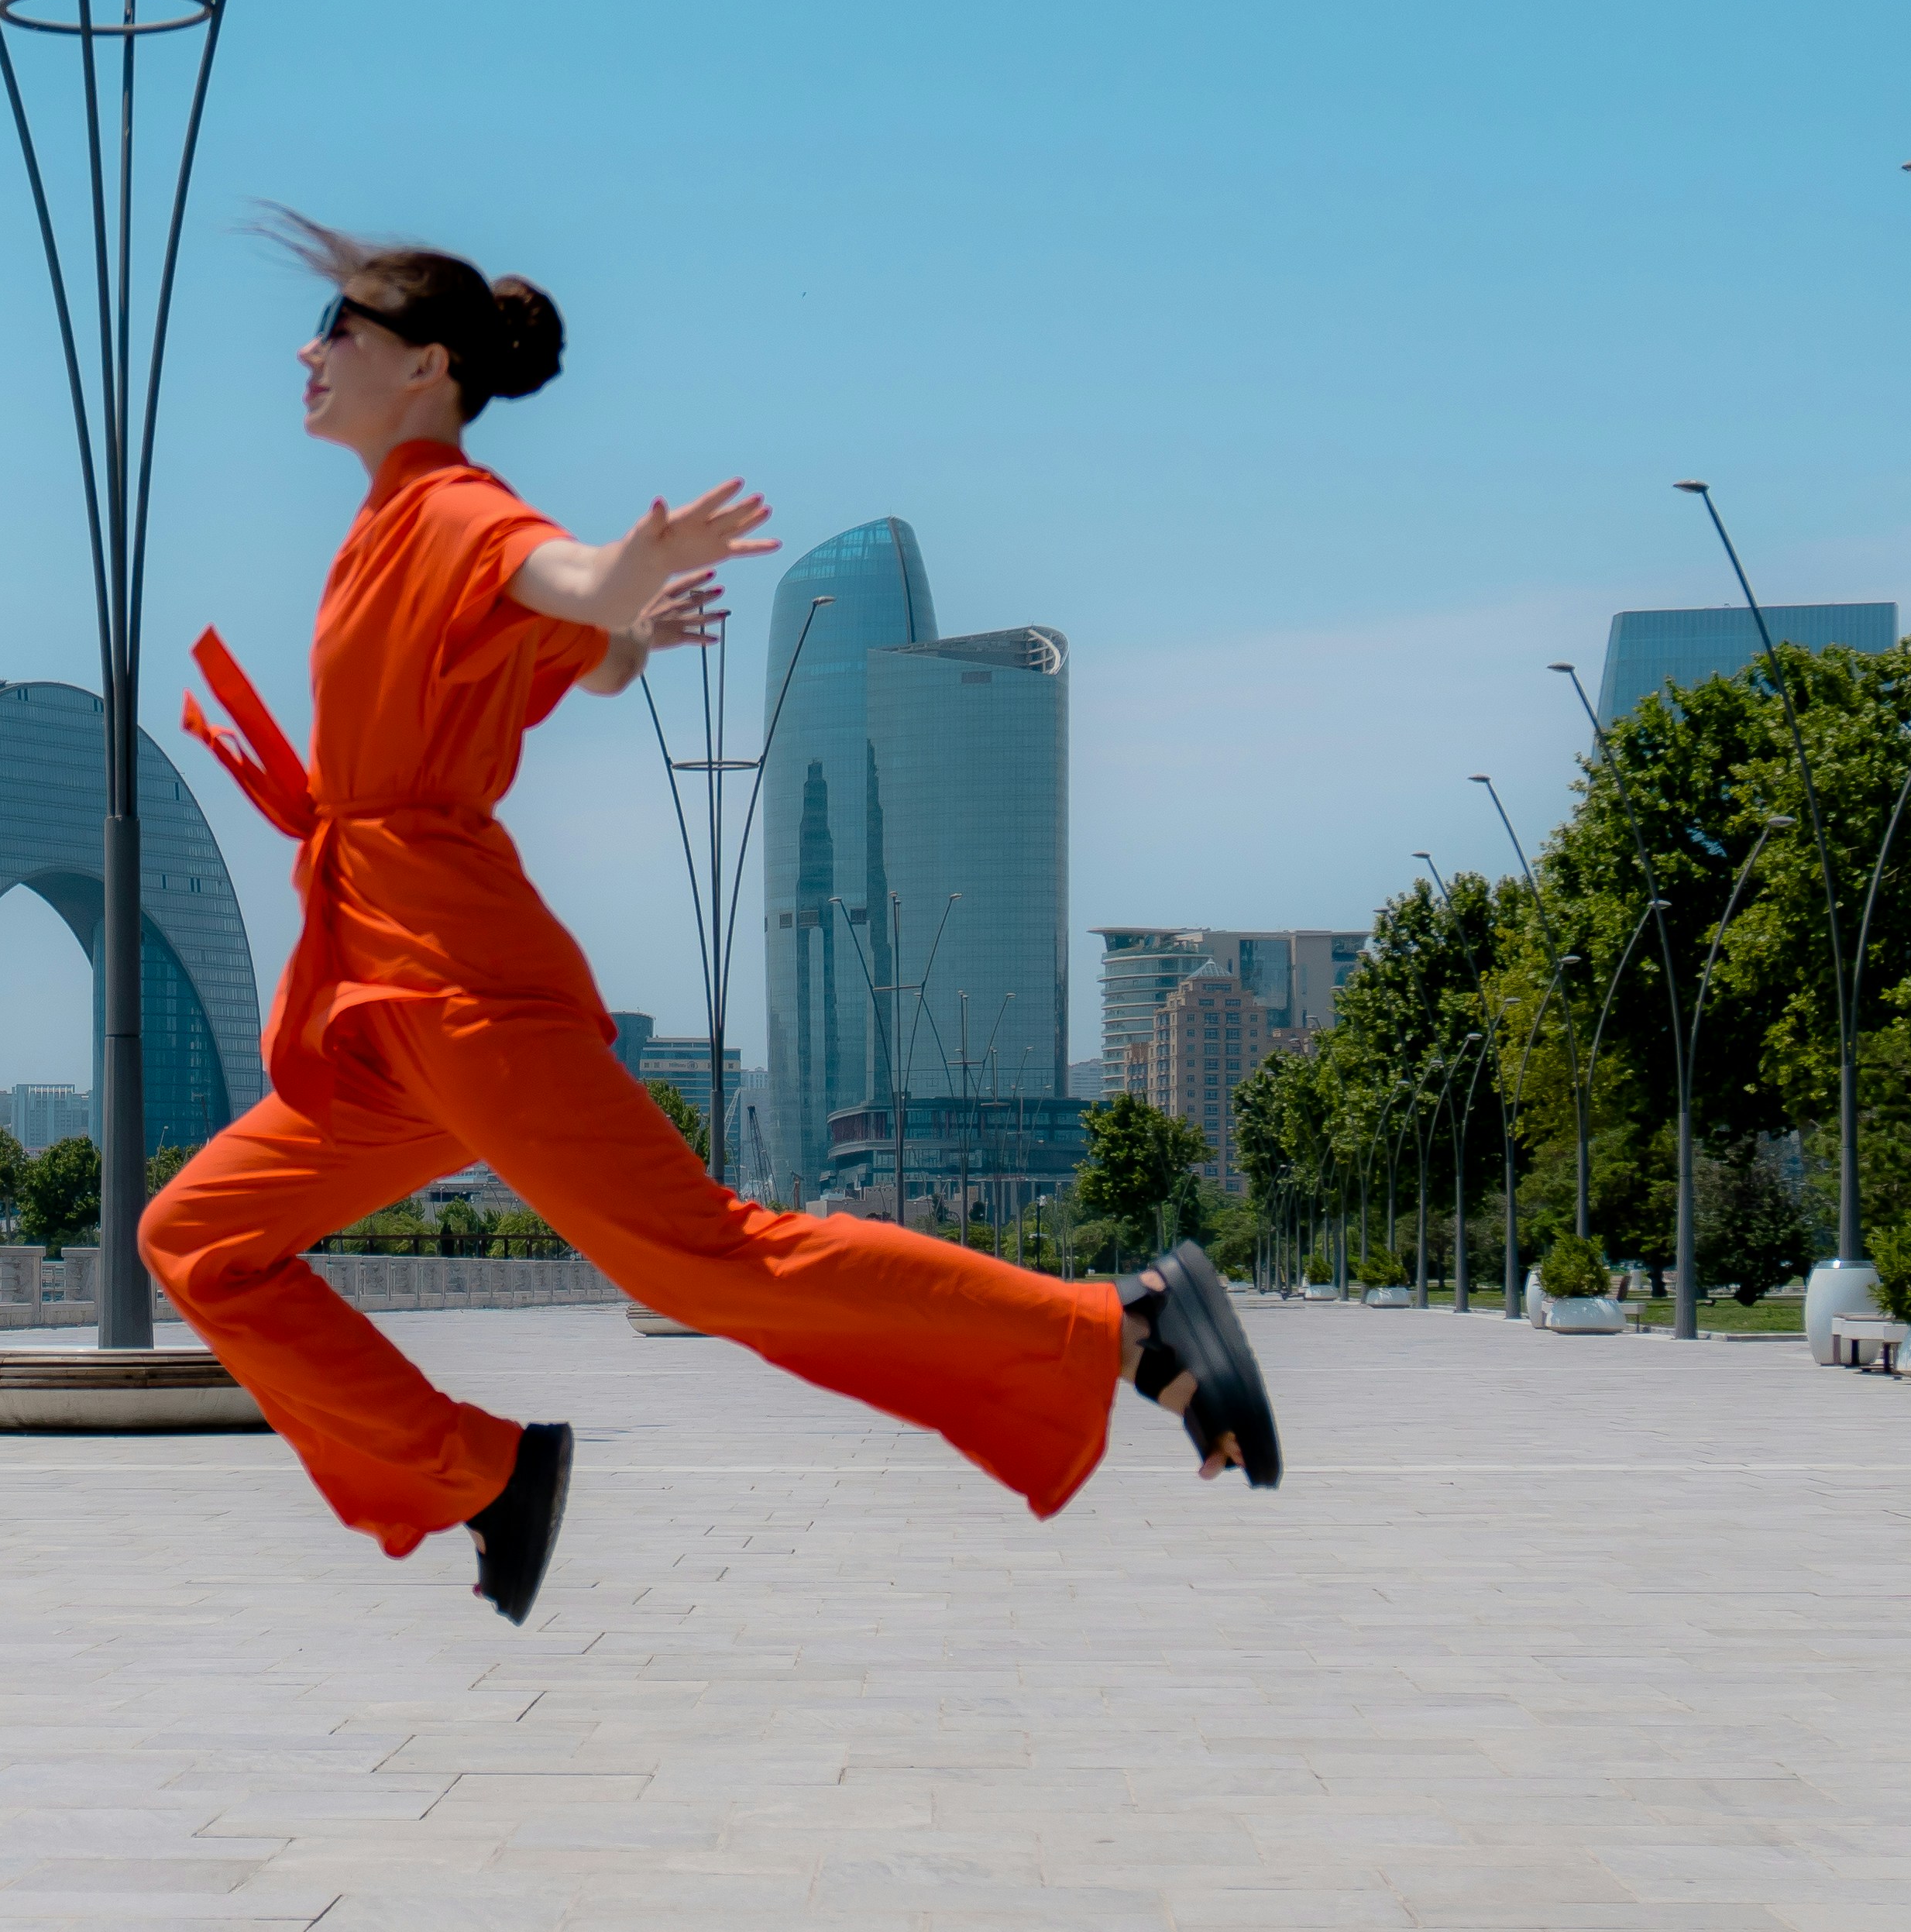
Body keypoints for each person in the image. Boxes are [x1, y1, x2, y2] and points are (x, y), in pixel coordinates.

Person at [148, 218, 1277, 1623]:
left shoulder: (450, 512)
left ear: (427, 365)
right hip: (376, 995)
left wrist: (623, 572)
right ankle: (484, 1476)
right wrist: (632, 623)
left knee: (712, 1259)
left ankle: (1126, 1324)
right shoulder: (388, 529)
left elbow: (559, 576)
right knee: (199, 1238)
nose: (307, 354)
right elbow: (595, 659)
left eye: (339, 330)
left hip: (458, 986)